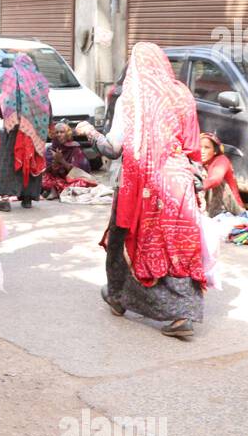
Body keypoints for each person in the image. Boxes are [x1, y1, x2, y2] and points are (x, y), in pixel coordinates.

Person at [79, 42, 206, 339]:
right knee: (176, 245)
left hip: (141, 182)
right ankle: (183, 311)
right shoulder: (182, 94)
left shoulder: (132, 99)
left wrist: (90, 132)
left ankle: (119, 296)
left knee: (124, 240)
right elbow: (192, 143)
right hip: (178, 181)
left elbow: (113, 148)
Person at [0, 53, 50, 211]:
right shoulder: (39, 79)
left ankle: (5, 200)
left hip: (15, 128)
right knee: (32, 159)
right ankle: (27, 198)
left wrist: (4, 115)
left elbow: (2, 102)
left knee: (8, 162)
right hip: (36, 129)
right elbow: (47, 106)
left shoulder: (10, 75)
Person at [199, 131, 246, 217]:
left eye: (207, 148)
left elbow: (216, 180)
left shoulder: (222, 160)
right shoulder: (199, 163)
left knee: (217, 182)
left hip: (233, 208)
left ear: (215, 151)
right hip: (213, 204)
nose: (202, 151)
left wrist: (199, 185)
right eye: (200, 147)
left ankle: (213, 214)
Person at [42, 122, 93, 199]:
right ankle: (56, 190)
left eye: (62, 132)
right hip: (57, 179)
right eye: (56, 132)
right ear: (53, 135)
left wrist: (62, 161)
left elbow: (79, 172)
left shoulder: (75, 149)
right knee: (42, 179)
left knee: (84, 182)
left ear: (67, 134)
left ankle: (57, 190)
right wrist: (55, 163)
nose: (59, 134)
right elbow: (49, 172)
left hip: (71, 179)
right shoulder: (49, 150)